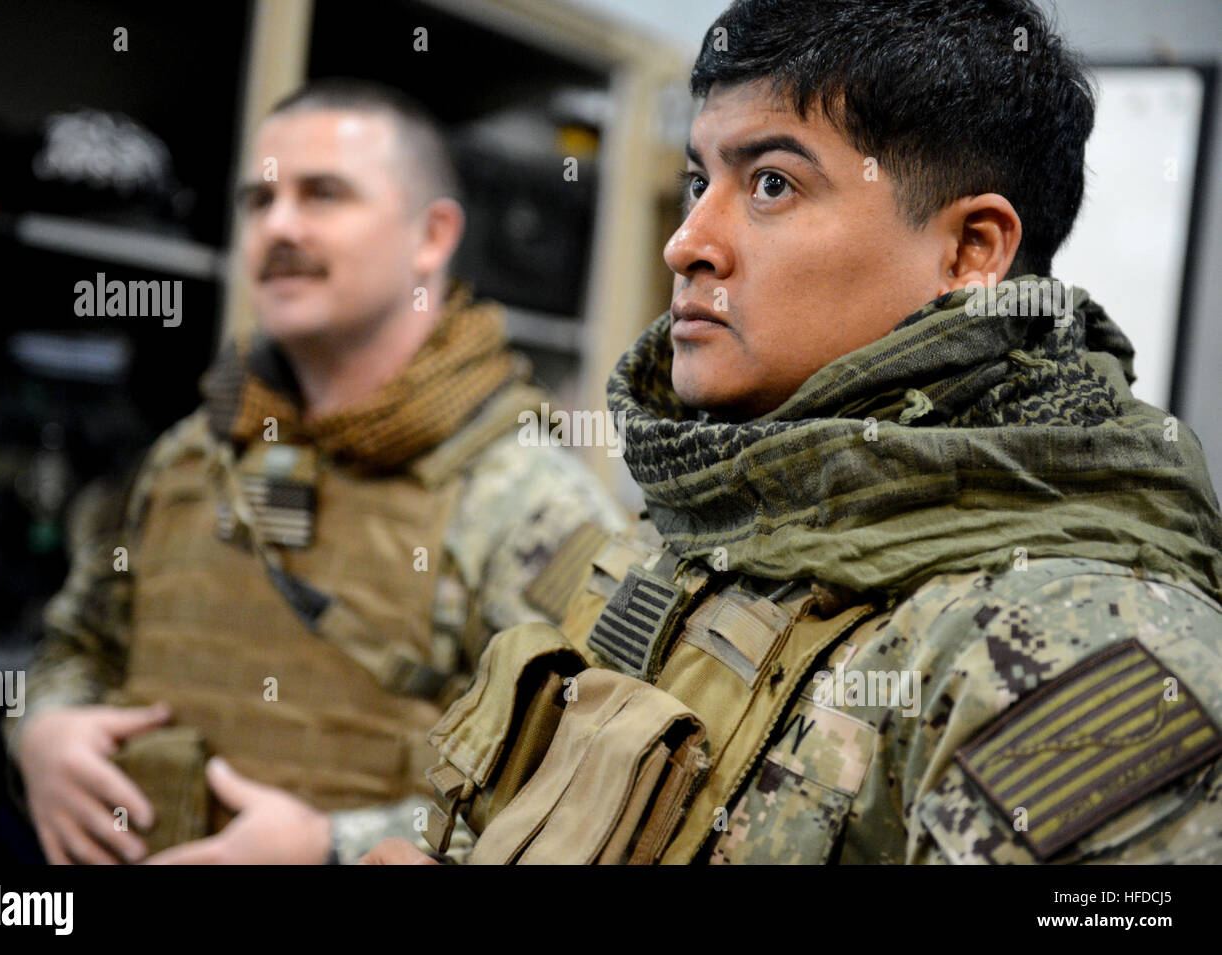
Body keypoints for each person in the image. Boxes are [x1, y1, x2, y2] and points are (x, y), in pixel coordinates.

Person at [366, 0, 1222, 865]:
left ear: (969, 253)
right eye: (701, 181)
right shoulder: (703, 525)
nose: (686, 242)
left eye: (772, 183)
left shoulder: (1081, 647)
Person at [4, 80, 626, 865]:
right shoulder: (194, 454)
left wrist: (331, 846)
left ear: (431, 237)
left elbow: (594, 802)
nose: (280, 227)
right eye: (259, 200)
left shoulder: (527, 501)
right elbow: (78, 644)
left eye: (323, 195)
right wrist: (45, 733)